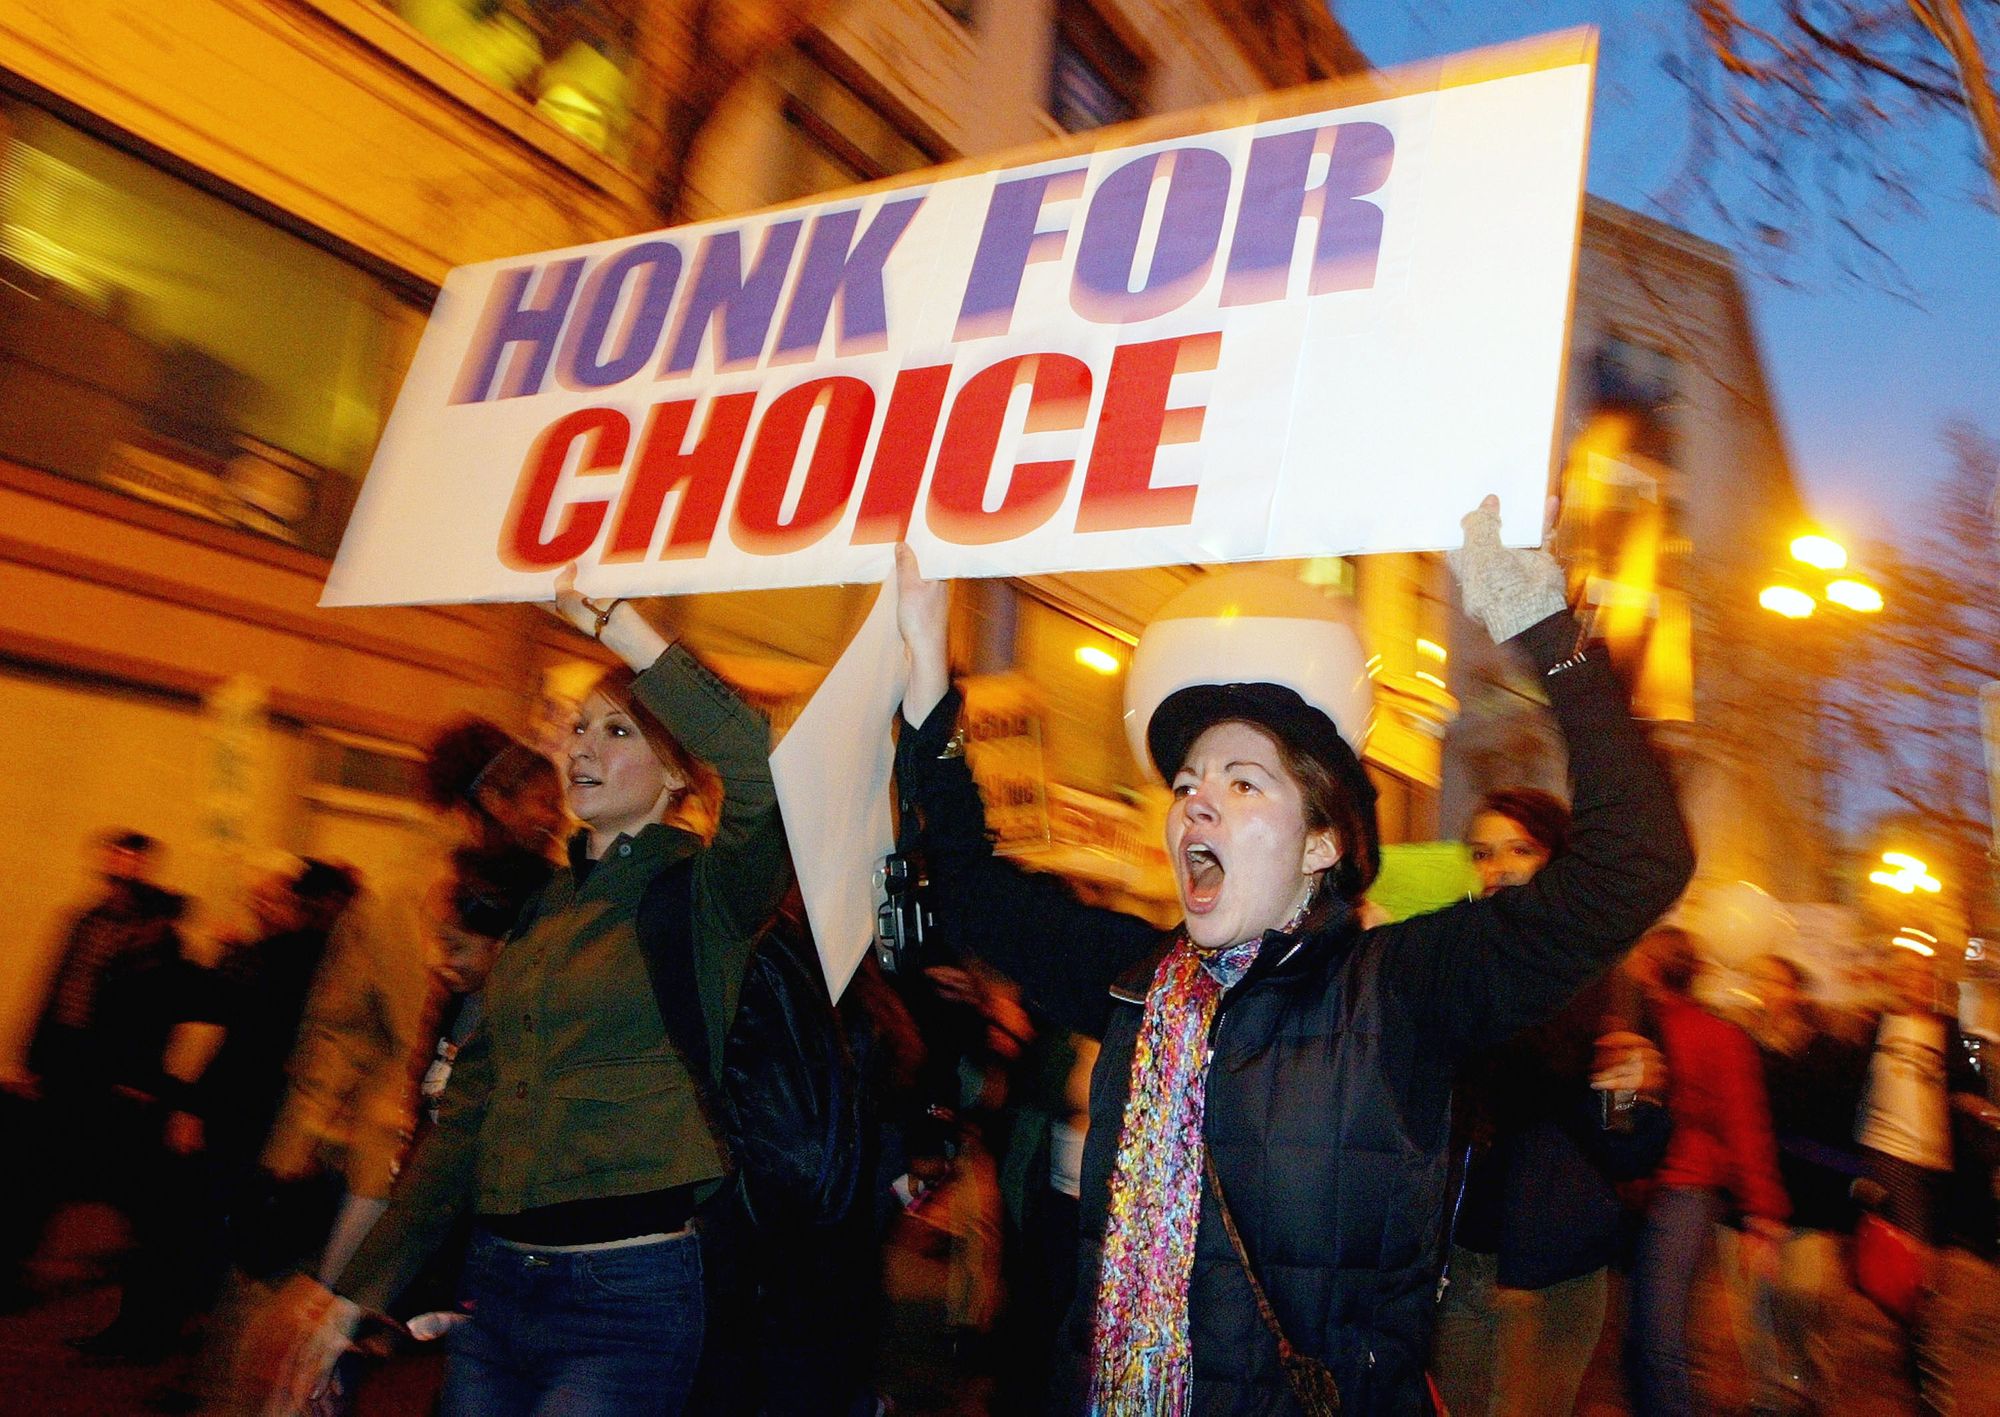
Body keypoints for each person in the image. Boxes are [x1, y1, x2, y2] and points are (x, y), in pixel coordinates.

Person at [887, 497, 1695, 1413]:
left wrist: (1542, 624)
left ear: (1321, 843)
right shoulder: (1137, 984)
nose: (1197, 802)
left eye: (1243, 782)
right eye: (1187, 783)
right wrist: (927, 670)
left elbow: (1640, 857)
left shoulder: (1398, 990)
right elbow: (967, 882)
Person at [257, 578, 788, 1416]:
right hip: (497, 1291)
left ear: (677, 772)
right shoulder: (542, 909)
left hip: (626, 1297)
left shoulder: (705, 894)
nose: (582, 747)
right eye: (578, 726)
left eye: (617, 730)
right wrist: (356, 1292)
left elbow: (761, 765)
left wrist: (629, 634)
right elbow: (467, 1118)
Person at [1430, 788, 1670, 1417]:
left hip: (1553, 1271)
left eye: (1521, 850)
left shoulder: (1608, 985)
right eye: (1482, 853)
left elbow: (1627, 1150)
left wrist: (1629, 1093)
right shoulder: (1449, 967)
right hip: (1458, 1260)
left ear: (1557, 862)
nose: (1499, 868)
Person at [1622, 926, 1789, 1417]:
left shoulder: (1682, 1033)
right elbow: (1746, 1126)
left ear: (1652, 970)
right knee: (1650, 1330)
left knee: (1658, 1331)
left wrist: (1762, 1214)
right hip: (1664, 1191)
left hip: (1677, 1191)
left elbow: (1743, 1127)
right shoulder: (1697, 1033)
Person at [1854, 947, 2000, 1416]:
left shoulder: (1945, 1029)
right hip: (1888, 1153)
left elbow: (1964, 1088)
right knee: (1914, 1266)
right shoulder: (1876, 1024)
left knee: (1930, 1272)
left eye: (1920, 973)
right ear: (1894, 979)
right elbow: (1852, 1087)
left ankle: (1914, 1343)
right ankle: (1928, 1379)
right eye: (1905, 972)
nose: (1913, 980)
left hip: (1936, 1163)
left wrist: (1977, 1107)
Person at [1725, 952, 1870, 1416]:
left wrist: (1846, 1205)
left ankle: (1812, 1383)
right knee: (1756, 1305)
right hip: (1750, 1200)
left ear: (1797, 992)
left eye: (1776, 982)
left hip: (1810, 1201)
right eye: (1759, 981)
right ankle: (1770, 1394)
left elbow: (1845, 1126)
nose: (1766, 990)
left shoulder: (1828, 1052)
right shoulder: (1743, 1047)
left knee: (1806, 1297)